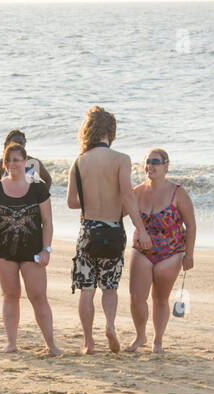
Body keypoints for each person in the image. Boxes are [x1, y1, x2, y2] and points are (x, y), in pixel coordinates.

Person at [66, 106, 152, 354]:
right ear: (111, 132)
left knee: (87, 288)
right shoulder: (121, 159)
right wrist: (142, 229)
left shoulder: (79, 162)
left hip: (88, 231)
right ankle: (111, 326)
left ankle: (88, 343)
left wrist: (91, 200)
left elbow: (72, 202)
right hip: (113, 230)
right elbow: (127, 196)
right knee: (110, 287)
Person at [0, 142, 64, 356]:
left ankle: (51, 345)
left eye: (17, 160)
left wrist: (47, 249)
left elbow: (48, 221)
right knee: (10, 295)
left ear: (26, 162)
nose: (13, 164)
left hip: (32, 251)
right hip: (2, 251)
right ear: (4, 164)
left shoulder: (37, 187)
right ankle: (11, 343)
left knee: (38, 296)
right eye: (9, 161)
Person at [126, 148, 194, 355]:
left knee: (160, 298)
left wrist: (189, 254)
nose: (150, 166)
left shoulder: (178, 192)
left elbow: (191, 225)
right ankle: (140, 336)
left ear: (166, 166)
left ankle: (158, 342)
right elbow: (117, 211)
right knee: (137, 298)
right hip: (142, 249)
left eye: (155, 162)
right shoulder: (136, 192)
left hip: (171, 252)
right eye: (147, 161)